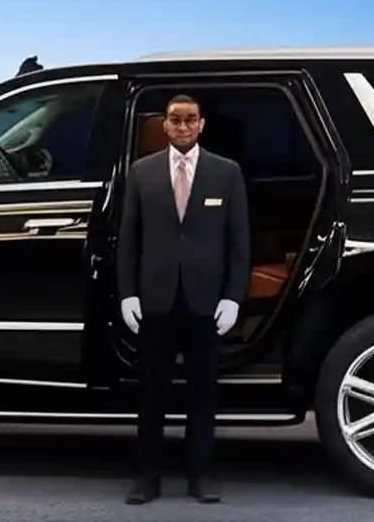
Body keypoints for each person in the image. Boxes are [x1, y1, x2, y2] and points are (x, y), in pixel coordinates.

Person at [116, 93, 250, 505]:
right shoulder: (141, 172)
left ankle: (201, 476)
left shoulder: (226, 173)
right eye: (175, 120)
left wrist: (233, 298)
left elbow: (238, 242)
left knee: (202, 394)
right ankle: (148, 478)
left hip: (205, 302)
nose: (183, 127)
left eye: (191, 119)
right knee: (152, 394)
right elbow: (128, 239)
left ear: (202, 124)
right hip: (155, 300)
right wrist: (128, 294)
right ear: (165, 125)